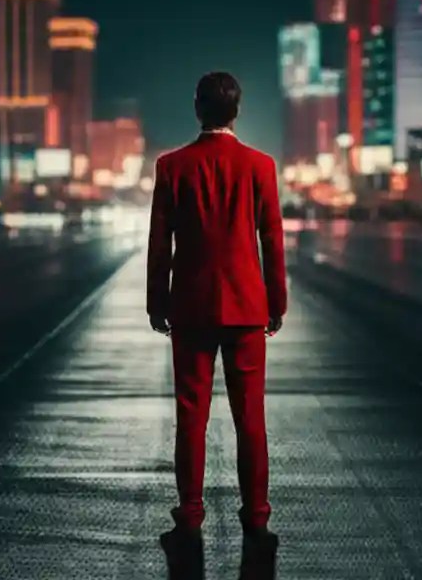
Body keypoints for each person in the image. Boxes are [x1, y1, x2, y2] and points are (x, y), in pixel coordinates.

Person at [148, 71, 286, 579]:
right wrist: (277, 302)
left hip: (191, 307)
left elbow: (160, 242)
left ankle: (189, 511)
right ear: (238, 110)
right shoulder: (260, 166)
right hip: (247, 308)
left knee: (191, 413)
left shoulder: (172, 166)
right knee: (251, 416)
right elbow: (271, 240)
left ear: (197, 108)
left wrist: (156, 301)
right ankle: (256, 514)